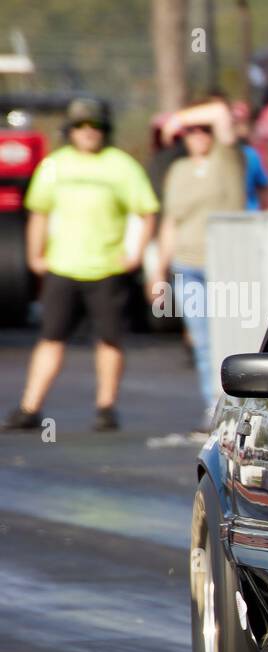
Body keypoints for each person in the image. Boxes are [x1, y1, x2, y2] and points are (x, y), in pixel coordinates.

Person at [3, 98, 158, 432]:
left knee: (109, 340)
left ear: (105, 131)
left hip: (107, 268)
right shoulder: (55, 165)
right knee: (51, 338)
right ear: (71, 131)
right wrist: (34, 255)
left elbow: (146, 212)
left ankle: (106, 407)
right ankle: (30, 407)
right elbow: (39, 213)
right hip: (63, 267)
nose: (89, 132)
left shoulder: (121, 166)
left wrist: (134, 254)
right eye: (82, 126)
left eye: (96, 126)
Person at [152, 99, 246, 417]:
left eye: (203, 130)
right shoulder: (178, 170)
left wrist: (176, 117)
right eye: (190, 132)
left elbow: (221, 112)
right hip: (186, 264)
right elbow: (170, 221)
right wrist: (158, 270)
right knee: (203, 343)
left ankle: (239, 408)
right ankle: (214, 408)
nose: (198, 136)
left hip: (224, 266)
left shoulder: (228, 159)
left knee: (233, 340)